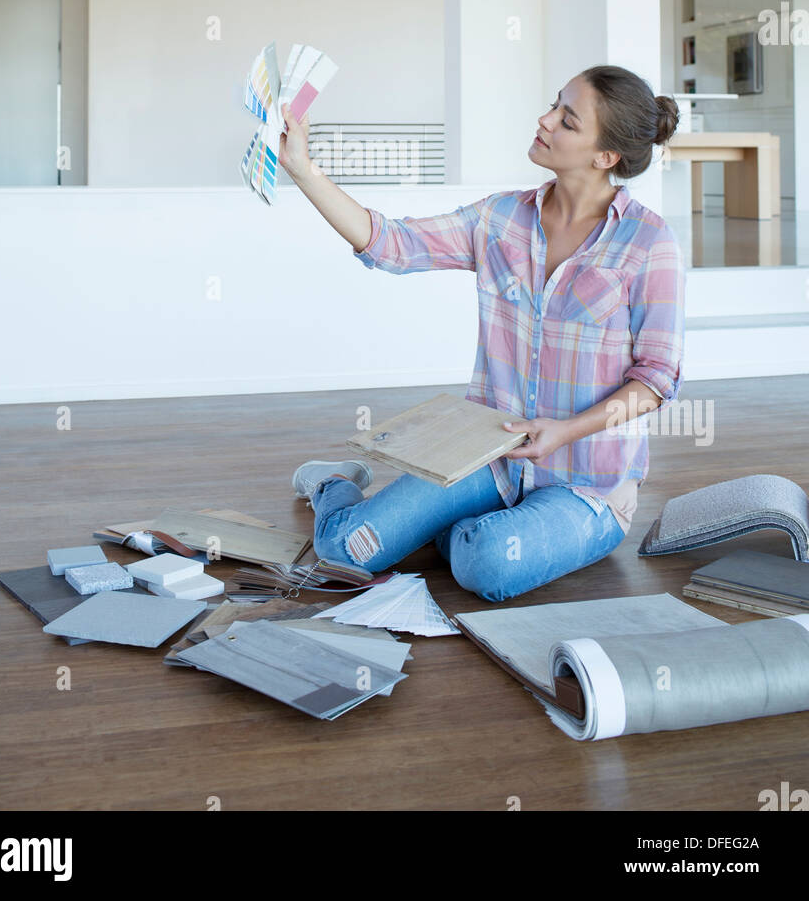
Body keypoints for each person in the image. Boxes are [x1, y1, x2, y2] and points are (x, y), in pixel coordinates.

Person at [280, 65, 685, 603]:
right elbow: (393, 245)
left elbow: (655, 380)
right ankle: (334, 484)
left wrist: (564, 431)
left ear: (604, 156)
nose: (544, 120)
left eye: (566, 119)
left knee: (486, 564)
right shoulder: (500, 219)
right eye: (552, 104)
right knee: (343, 551)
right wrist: (303, 169)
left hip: (587, 486)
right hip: (488, 460)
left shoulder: (649, 242)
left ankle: (461, 529)